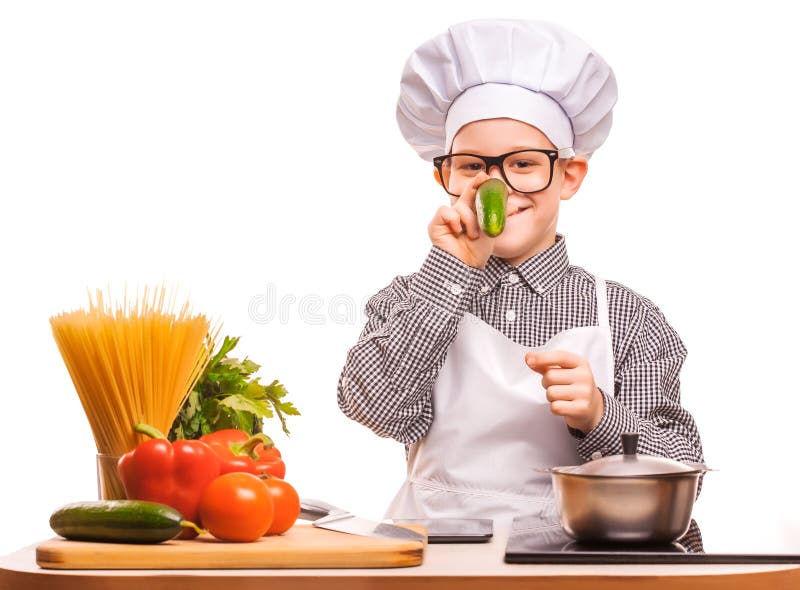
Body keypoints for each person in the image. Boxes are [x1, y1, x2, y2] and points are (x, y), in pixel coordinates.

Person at [336, 18, 704, 525]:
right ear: (445, 176)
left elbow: (683, 473)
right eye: (472, 166)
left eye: (524, 164)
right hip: (437, 552)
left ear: (569, 176)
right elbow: (376, 409)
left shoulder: (628, 317)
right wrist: (451, 269)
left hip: (574, 555)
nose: (497, 185)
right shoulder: (409, 298)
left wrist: (600, 414)